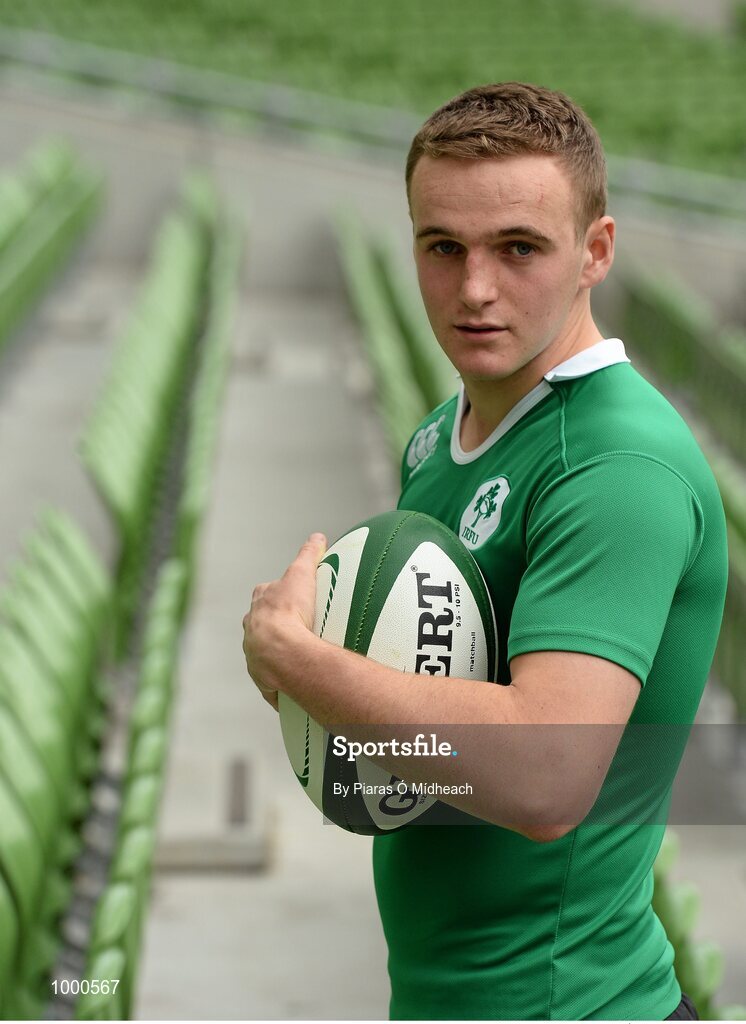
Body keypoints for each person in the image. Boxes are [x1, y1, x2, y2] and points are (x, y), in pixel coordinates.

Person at [242, 83, 728, 1021]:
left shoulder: (616, 466)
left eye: (518, 248)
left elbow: (546, 777)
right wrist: (315, 686)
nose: (474, 289)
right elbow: (429, 708)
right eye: (443, 247)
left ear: (596, 252)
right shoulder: (442, 433)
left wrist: (303, 664)